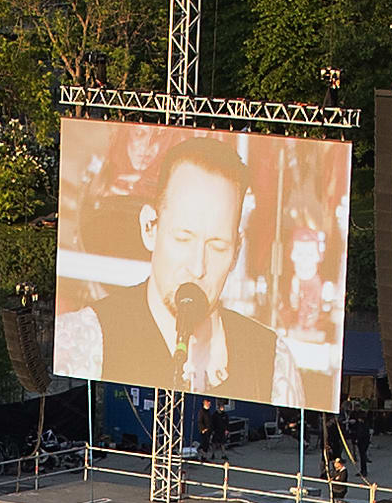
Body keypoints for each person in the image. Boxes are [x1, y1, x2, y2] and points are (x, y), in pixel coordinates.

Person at [66, 138, 290, 408]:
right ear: (150, 227)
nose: (197, 268)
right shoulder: (86, 339)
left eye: (218, 247)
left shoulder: (273, 360)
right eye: (183, 239)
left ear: (236, 252)